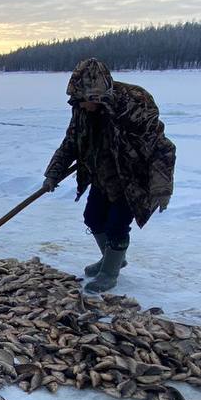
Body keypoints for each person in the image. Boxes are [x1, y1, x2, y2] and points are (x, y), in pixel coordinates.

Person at [41, 59, 176, 293]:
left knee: (117, 225)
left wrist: (162, 188)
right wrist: (53, 173)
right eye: (78, 99)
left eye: (85, 100)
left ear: (98, 96)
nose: (82, 105)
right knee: (92, 217)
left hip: (133, 177)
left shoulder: (135, 102)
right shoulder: (82, 109)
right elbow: (71, 142)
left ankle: (110, 272)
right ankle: (113, 258)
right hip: (103, 174)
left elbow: (161, 148)